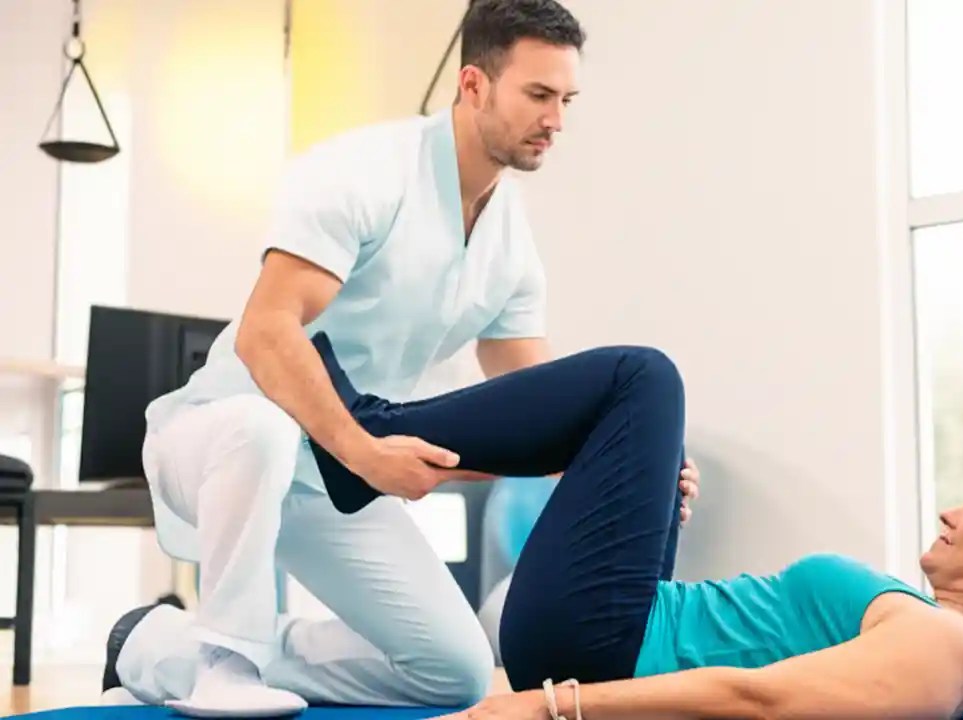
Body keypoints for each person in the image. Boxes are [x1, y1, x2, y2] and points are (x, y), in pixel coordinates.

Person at [99, 1, 699, 716]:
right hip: (222, 442)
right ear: (474, 85)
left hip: (335, 475)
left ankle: (155, 643)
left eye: (566, 99)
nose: (557, 120)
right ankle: (224, 661)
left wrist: (636, 466)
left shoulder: (509, 240)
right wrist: (362, 451)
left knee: (454, 673)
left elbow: (539, 402)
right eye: (539, 95)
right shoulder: (365, 172)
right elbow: (266, 332)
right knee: (260, 429)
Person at [304, 335, 963, 720]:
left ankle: (369, 434)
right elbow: (739, 647)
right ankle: (370, 442)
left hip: (595, 649)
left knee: (645, 378)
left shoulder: (945, 654)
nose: (950, 511)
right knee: (661, 439)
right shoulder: (931, 633)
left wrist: (544, 709)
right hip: (624, 625)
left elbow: (757, 697)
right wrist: (658, 520)